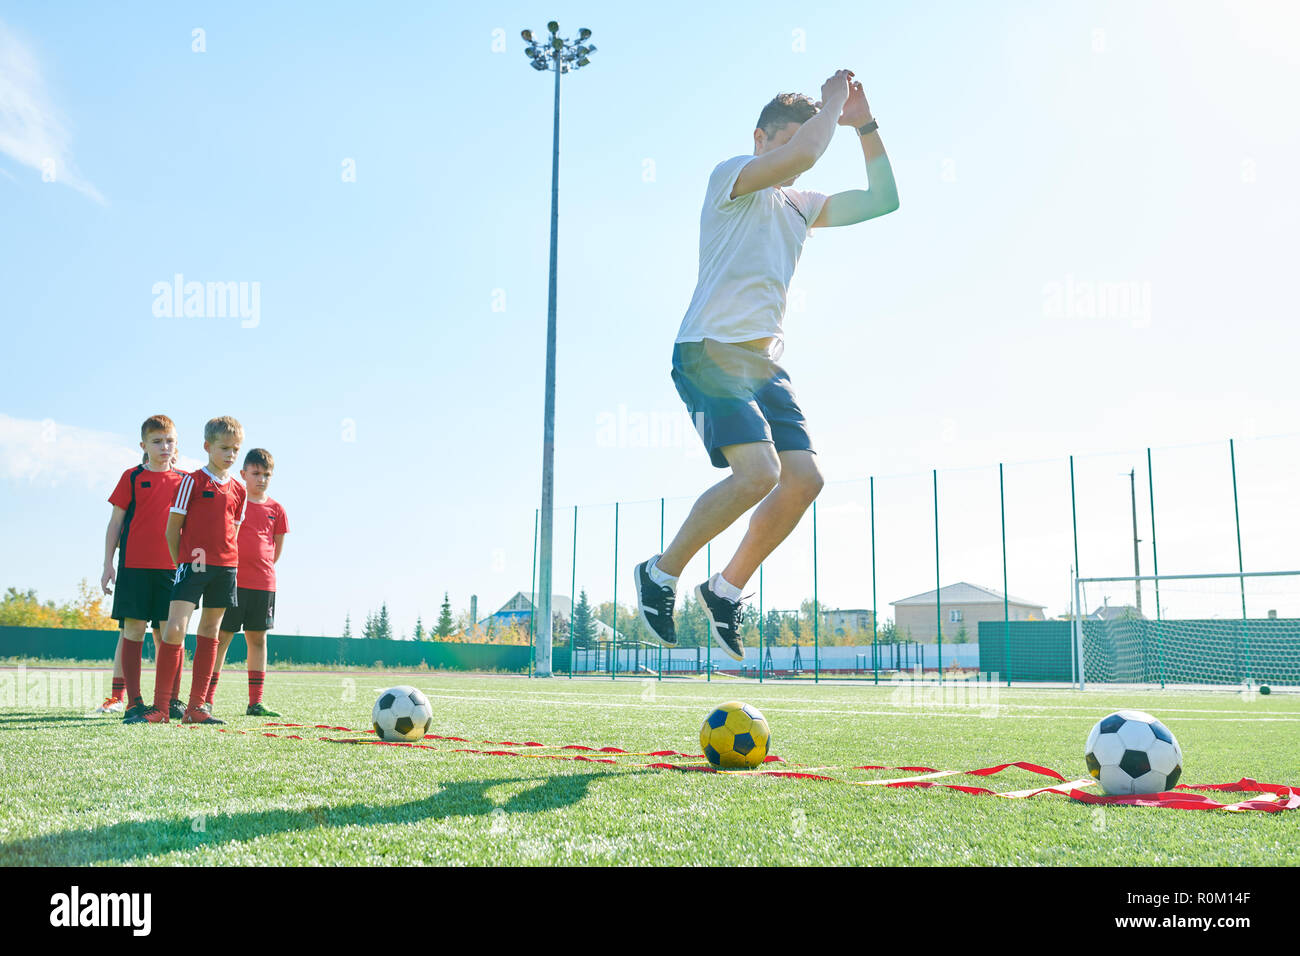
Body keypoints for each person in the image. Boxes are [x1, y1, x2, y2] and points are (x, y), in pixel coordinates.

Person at [633, 69, 899, 661]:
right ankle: (661, 571)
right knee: (758, 474)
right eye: (784, 141)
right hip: (711, 348)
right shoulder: (731, 178)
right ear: (760, 139)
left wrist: (866, 125)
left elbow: (885, 200)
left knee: (804, 479)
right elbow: (804, 152)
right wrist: (833, 102)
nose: (797, 152)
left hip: (764, 364)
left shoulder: (801, 207)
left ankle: (725, 589)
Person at [126, 416, 247, 724]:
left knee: (210, 631)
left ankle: (196, 708)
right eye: (224, 448)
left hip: (226, 569)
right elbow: (172, 530)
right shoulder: (191, 482)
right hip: (191, 566)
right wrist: (181, 562)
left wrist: (229, 563)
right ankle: (162, 708)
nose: (230, 455)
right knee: (175, 629)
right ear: (207, 447)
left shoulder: (239, 490)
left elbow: (232, 531)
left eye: (235, 449)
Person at [97, 415, 188, 719]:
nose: (165, 447)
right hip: (133, 568)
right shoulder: (132, 477)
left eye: (170, 441)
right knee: (133, 630)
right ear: (144, 445)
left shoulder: (185, 481)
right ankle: (133, 703)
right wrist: (108, 564)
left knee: (169, 635)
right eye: (157, 441)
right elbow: (115, 523)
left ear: (177, 444)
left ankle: (169, 701)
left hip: (172, 571)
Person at [208, 448, 288, 717]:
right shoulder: (234, 501)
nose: (261, 479)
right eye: (256, 473)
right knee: (222, 638)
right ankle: (206, 699)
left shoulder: (276, 509)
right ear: (243, 474)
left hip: (263, 584)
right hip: (232, 581)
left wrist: (260, 567)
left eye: (266, 474)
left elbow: (275, 550)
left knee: (258, 639)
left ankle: (255, 702)